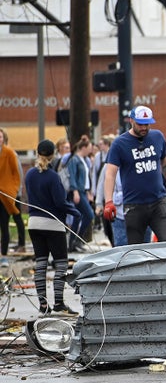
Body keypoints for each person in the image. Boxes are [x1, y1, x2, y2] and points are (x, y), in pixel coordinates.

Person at [102, 106, 166, 244]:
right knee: (135, 248)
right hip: (134, 205)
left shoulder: (157, 136)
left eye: (147, 124)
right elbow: (110, 174)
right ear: (131, 120)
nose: (144, 127)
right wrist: (109, 201)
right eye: (140, 124)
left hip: (158, 201)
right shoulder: (119, 144)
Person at [23, 140, 80, 315]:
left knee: (40, 264)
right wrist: (75, 212)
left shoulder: (30, 174)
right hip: (53, 224)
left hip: (34, 223)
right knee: (61, 265)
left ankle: (42, 305)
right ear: (53, 155)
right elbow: (59, 203)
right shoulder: (53, 177)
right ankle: (59, 303)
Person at [0, 128, 26, 258]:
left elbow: (18, 173)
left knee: (17, 217)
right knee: (3, 222)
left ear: (3, 138)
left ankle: (21, 244)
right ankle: (3, 250)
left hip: (12, 192)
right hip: (1, 193)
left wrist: (17, 190)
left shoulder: (10, 153)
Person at [66, 138, 94, 252]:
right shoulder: (74, 160)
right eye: (89, 147)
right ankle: (78, 240)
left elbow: (86, 178)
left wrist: (88, 192)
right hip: (78, 191)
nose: (90, 150)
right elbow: (72, 176)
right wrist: (75, 191)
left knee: (78, 216)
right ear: (83, 148)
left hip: (83, 191)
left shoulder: (83, 160)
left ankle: (72, 243)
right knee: (89, 214)